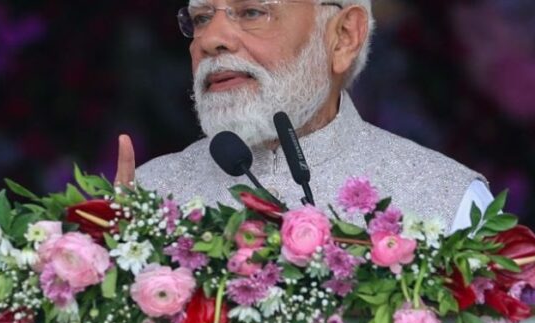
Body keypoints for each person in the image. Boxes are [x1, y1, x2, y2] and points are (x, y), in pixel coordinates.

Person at [115, 0, 493, 231]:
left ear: (343, 36)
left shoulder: (449, 201)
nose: (211, 39)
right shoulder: (147, 196)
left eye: (251, 11)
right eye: (200, 18)